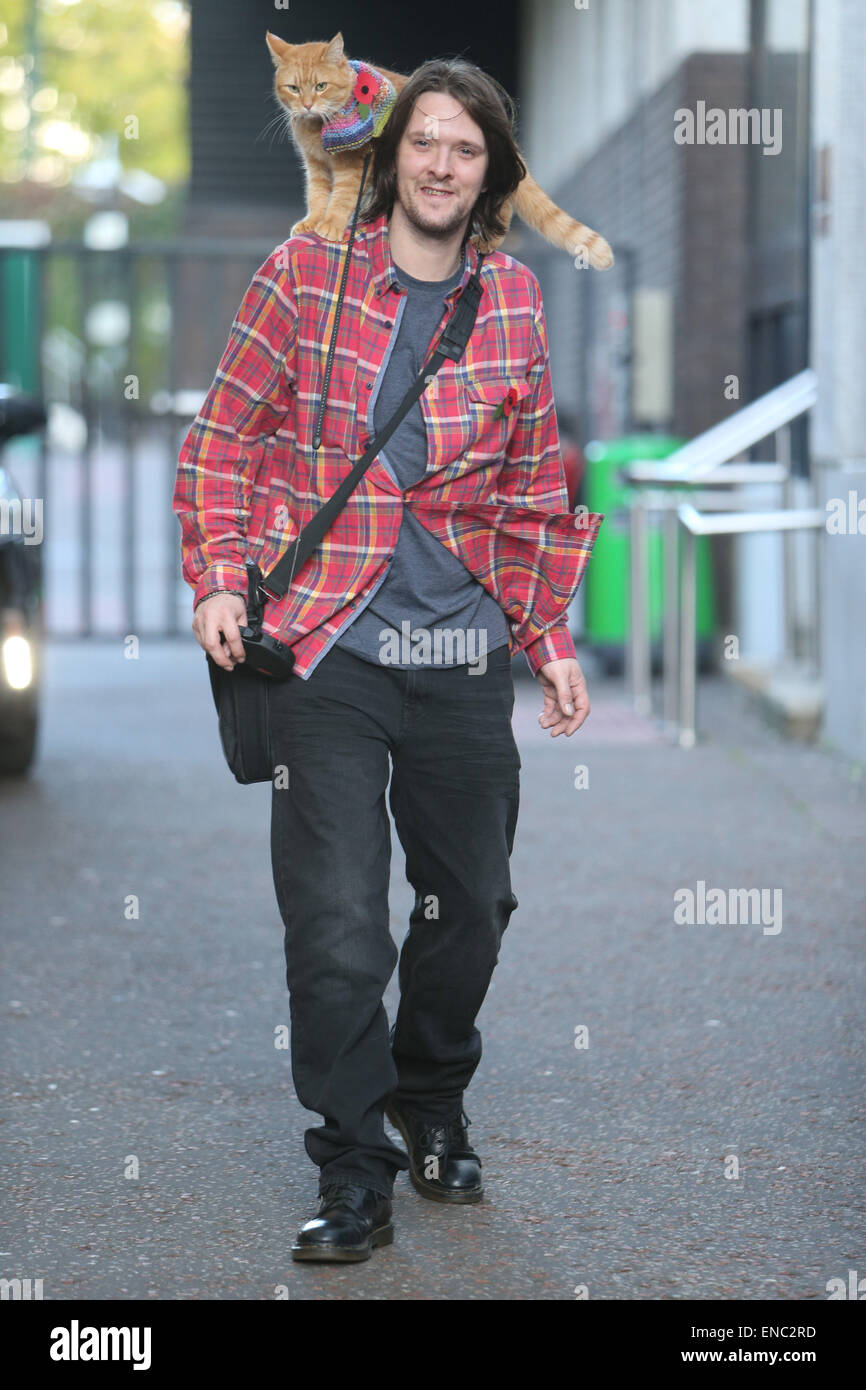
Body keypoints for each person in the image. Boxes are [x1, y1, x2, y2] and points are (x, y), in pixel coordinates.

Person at [173, 57, 602, 1263]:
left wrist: (548, 640)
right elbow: (222, 434)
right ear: (390, 151)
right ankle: (353, 1162)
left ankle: (430, 1090)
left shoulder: (511, 301)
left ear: (489, 172)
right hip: (327, 651)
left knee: (470, 904)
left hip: (459, 649)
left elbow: (527, 494)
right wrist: (216, 571)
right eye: (424, 141)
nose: (440, 165)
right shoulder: (306, 272)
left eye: (465, 149)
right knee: (338, 922)